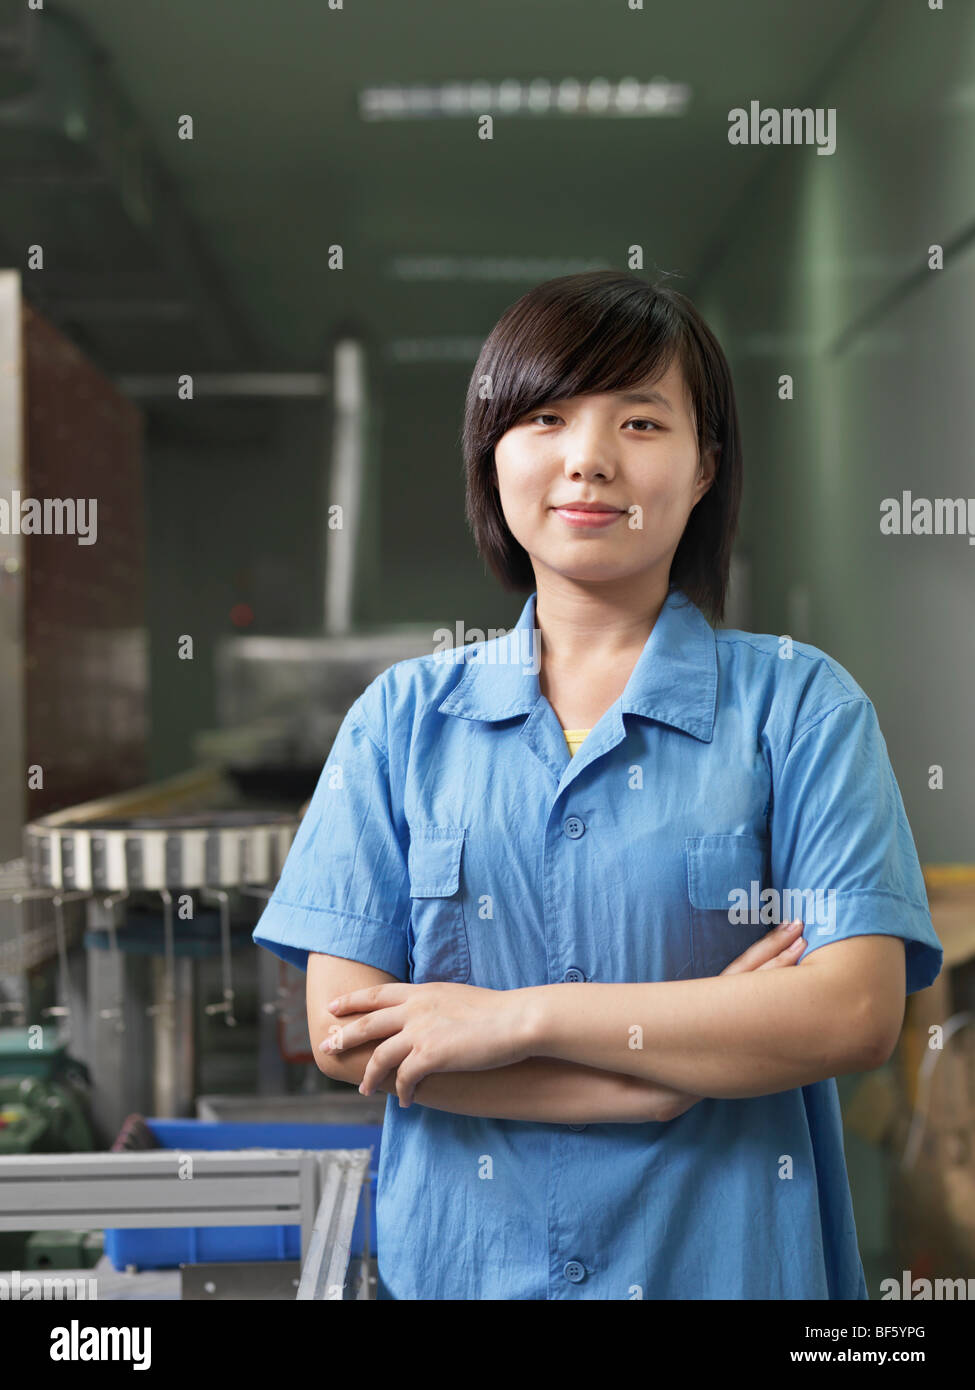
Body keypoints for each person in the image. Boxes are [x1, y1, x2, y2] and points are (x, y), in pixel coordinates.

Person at [252, 270, 942, 1300]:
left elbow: (852, 1012)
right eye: (546, 417)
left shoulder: (801, 707)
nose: (589, 458)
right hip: (467, 1275)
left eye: (641, 421)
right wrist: (647, 1082)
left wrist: (518, 1020)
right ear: (492, 453)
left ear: (705, 468)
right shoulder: (400, 721)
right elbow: (346, 1032)